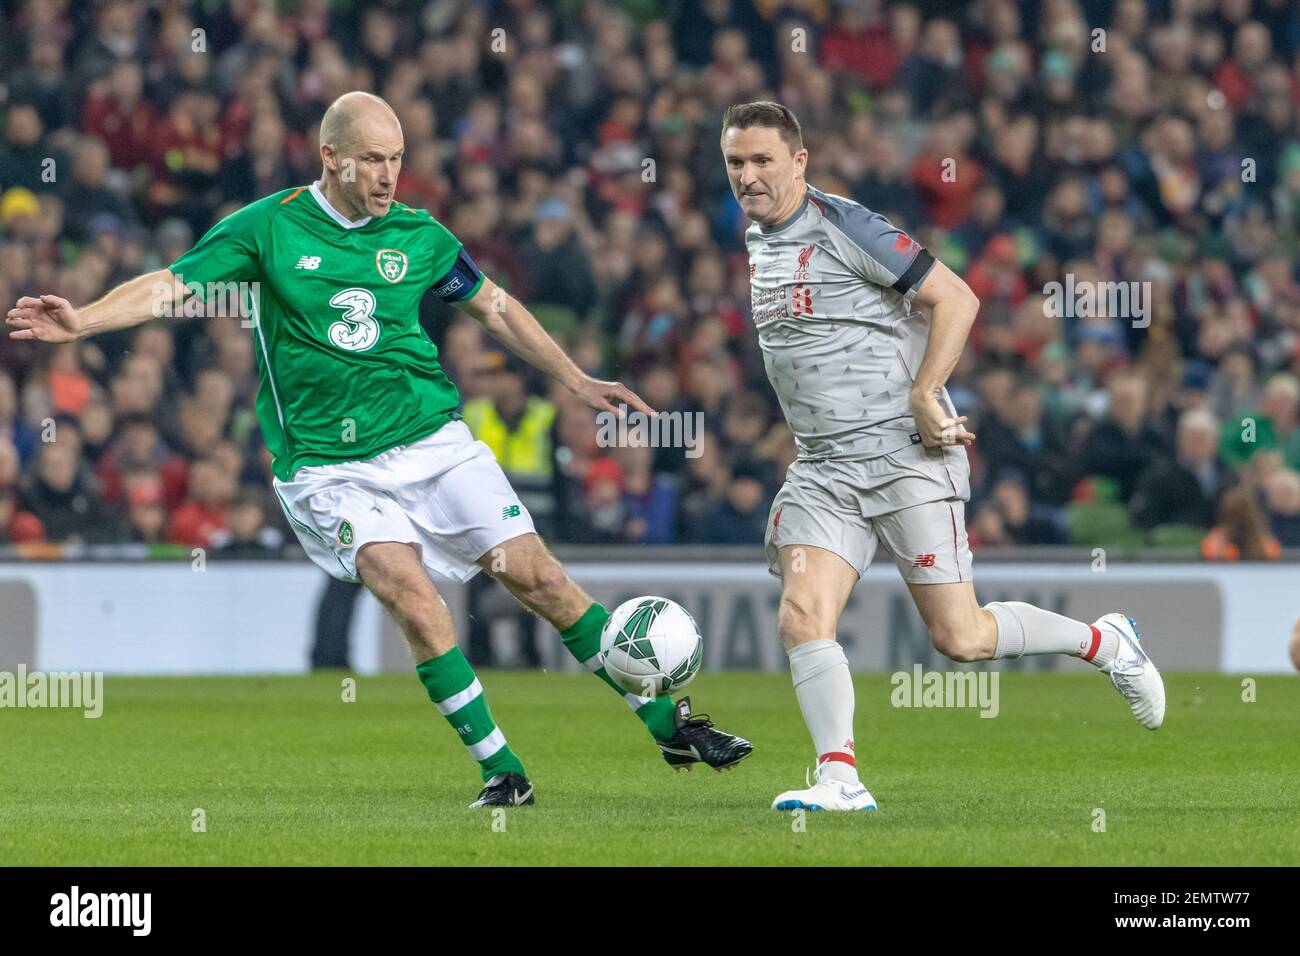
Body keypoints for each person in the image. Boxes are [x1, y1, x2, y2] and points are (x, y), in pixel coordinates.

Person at [8, 91, 751, 810]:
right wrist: (85, 322)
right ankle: (504, 771)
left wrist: (575, 377)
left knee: (541, 578)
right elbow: (171, 285)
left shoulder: (420, 236)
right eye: (371, 160)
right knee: (414, 598)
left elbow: (494, 306)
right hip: (328, 467)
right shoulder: (268, 229)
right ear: (330, 157)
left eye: (397, 158)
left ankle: (668, 726)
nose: (388, 175)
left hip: (430, 439)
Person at [721, 101, 1164, 813]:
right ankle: (840, 779)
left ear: (799, 161)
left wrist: (927, 392)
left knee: (961, 638)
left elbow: (956, 298)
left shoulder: (846, 225)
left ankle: (1105, 641)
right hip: (824, 468)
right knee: (802, 615)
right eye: (736, 162)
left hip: (905, 456)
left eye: (762, 160)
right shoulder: (757, 239)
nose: (748, 175)